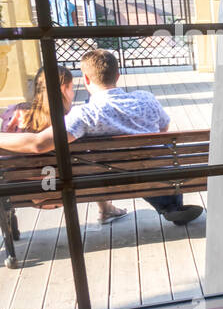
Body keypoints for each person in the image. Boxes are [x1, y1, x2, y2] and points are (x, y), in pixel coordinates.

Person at [0, 50, 203, 226]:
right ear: (118, 74)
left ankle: (149, 202)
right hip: (151, 174)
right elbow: (163, 128)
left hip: (108, 178)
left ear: (86, 79)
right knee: (147, 164)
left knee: (110, 164)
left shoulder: (85, 115)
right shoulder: (146, 99)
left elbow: (39, 144)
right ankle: (172, 206)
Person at [1, 67, 126, 224]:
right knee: (87, 163)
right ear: (65, 89)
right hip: (68, 189)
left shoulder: (15, 114)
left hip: (25, 192)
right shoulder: (73, 120)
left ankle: (8, 219)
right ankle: (105, 208)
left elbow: (6, 155)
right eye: (72, 87)